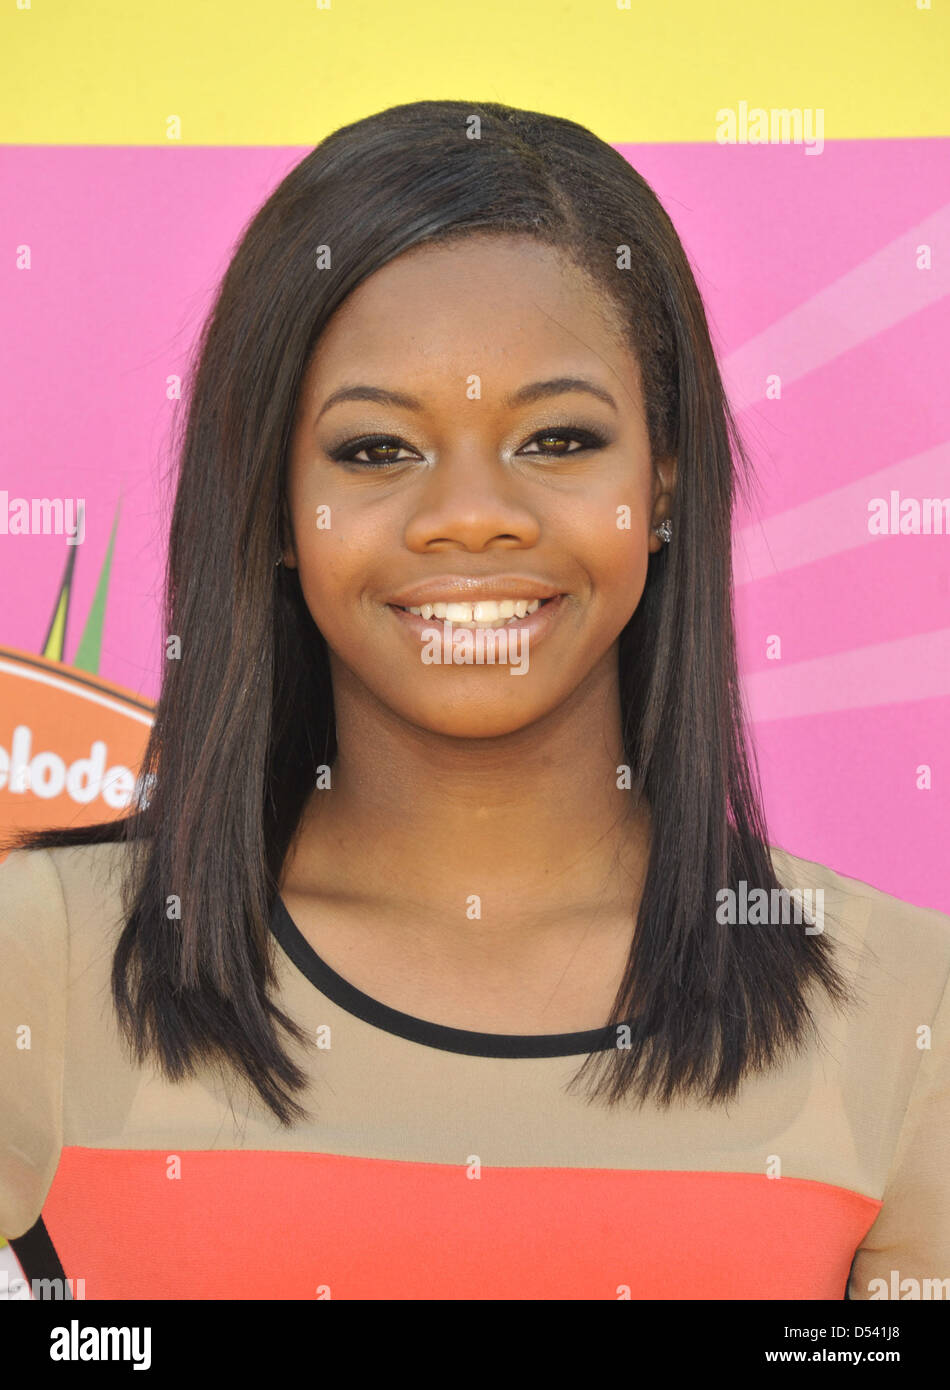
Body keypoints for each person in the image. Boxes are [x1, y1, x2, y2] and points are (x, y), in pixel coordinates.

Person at [1, 99, 947, 1302]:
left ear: (661, 479)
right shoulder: (45, 955)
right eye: (375, 450)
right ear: (275, 505)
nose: (469, 512)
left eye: (555, 439)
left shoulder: (907, 1005)